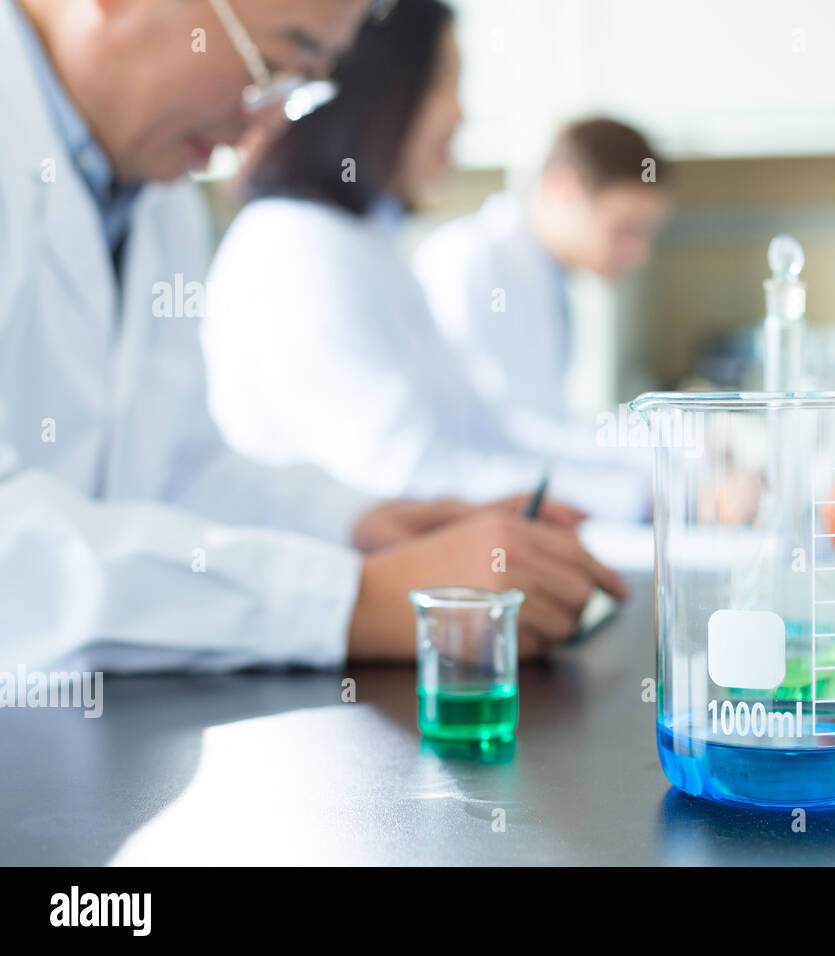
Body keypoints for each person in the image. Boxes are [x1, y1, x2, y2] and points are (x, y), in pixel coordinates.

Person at [0, 0, 625, 673]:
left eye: (305, 80)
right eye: (272, 59)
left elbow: (174, 472)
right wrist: (356, 601)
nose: (271, 117)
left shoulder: (162, 198)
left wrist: (359, 527)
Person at [202, 1, 657, 520]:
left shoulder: (367, 241)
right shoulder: (296, 245)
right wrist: (636, 497)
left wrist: (650, 477)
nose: (461, 113)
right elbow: (407, 473)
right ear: (376, 89)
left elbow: (485, 434)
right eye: (444, 82)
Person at [413, 118, 670, 433]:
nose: (640, 253)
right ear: (563, 189)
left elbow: (546, 424)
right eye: (626, 229)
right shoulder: (473, 261)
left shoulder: (546, 277)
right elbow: (506, 432)